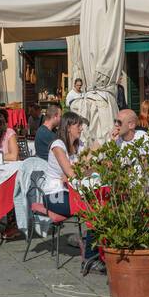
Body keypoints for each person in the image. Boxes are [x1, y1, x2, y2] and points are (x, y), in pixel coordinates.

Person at [41, 112, 102, 275]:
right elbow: (74, 173)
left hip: (71, 191)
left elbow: (88, 170)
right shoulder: (58, 145)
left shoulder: (79, 144)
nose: (81, 128)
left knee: (99, 206)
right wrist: (86, 162)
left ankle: (96, 255)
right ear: (68, 127)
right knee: (93, 210)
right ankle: (91, 258)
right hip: (54, 195)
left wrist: (81, 167)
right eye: (78, 125)